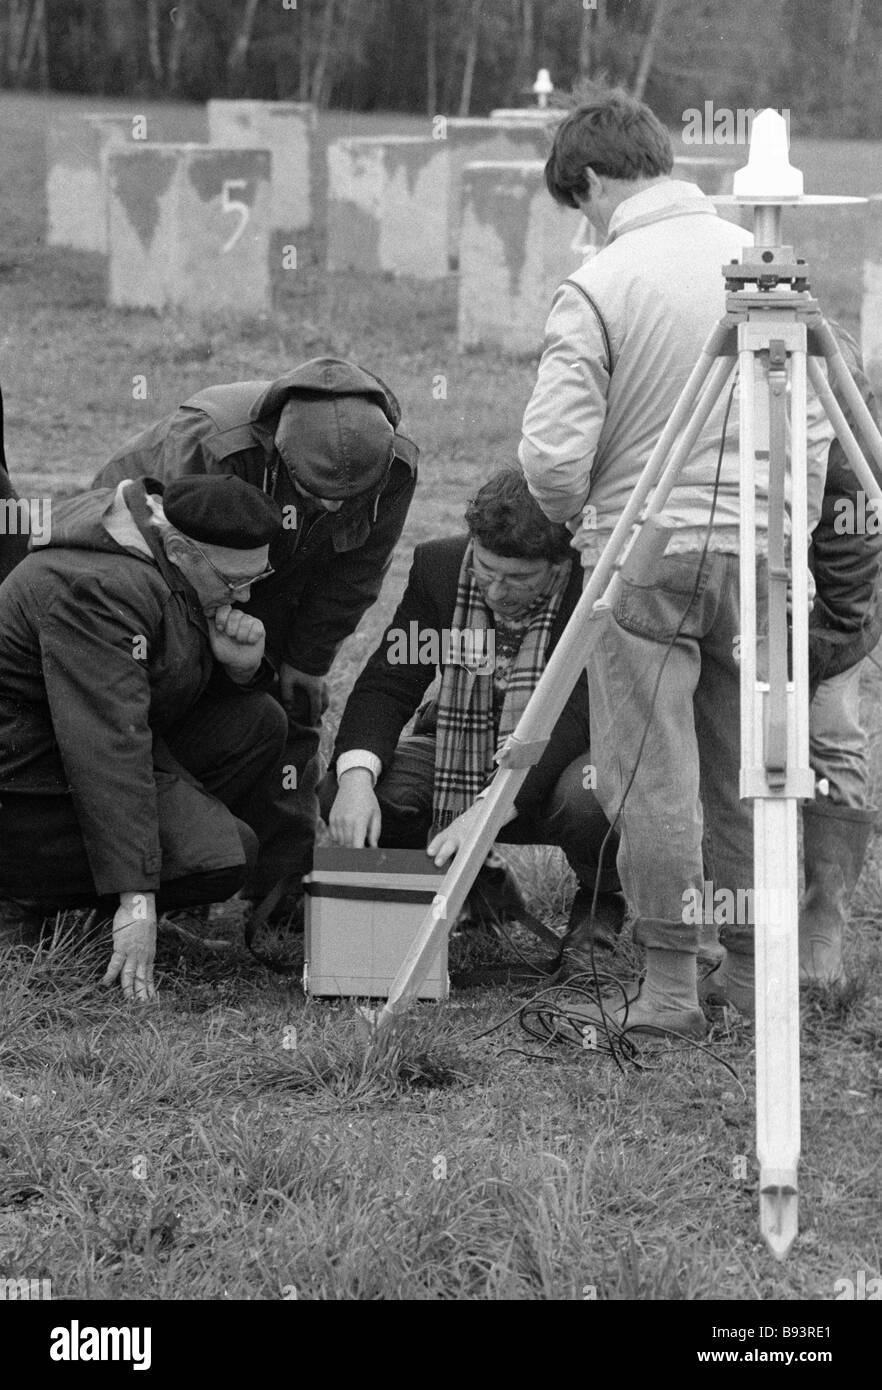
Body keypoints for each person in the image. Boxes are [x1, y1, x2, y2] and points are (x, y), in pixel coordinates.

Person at [519, 89, 833, 1036]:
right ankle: (745, 967)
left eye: (582, 204)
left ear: (596, 181)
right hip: (765, 559)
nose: (587, 224)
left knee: (652, 774)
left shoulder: (602, 284)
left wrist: (584, 523)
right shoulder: (764, 264)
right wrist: (788, 526)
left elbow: (552, 457)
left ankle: (666, 987)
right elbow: (816, 431)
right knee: (751, 770)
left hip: (645, 546)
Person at [92, 357, 419, 913]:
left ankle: (281, 888)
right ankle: (180, 863)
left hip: (278, 578)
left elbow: (356, 571)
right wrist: (227, 657)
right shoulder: (213, 447)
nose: (334, 508)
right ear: (278, 450)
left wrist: (307, 660)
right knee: (190, 701)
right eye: (316, 494)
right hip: (165, 576)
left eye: (348, 499)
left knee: (292, 709)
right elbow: (173, 558)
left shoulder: (395, 466)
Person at [0, 474, 288, 1001]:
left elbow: (152, 689)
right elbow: (107, 745)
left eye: (257, 577)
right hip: (25, 782)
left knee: (257, 722)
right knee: (224, 854)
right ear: (178, 547)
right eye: (231, 581)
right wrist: (138, 894)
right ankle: (24, 901)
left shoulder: (160, 552)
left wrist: (239, 670)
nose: (244, 596)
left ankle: (102, 901)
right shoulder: (97, 586)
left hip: (73, 749)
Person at [320, 470, 622, 964]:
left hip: (561, 754)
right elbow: (390, 681)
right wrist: (353, 780)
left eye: (519, 579)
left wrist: (488, 809)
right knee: (351, 788)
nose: (497, 591)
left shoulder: (594, 582)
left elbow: (579, 712)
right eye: (486, 571)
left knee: (591, 795)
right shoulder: (439, 567)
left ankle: (598, 909)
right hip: (463, 744)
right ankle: (471, 892)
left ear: (559, 563)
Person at [800, 326, 882, 984]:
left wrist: (800, 663)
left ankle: (824, 916)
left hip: (830, 629)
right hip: (752, 619)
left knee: (831, 738)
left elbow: (849, 595)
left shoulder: (852, 461)